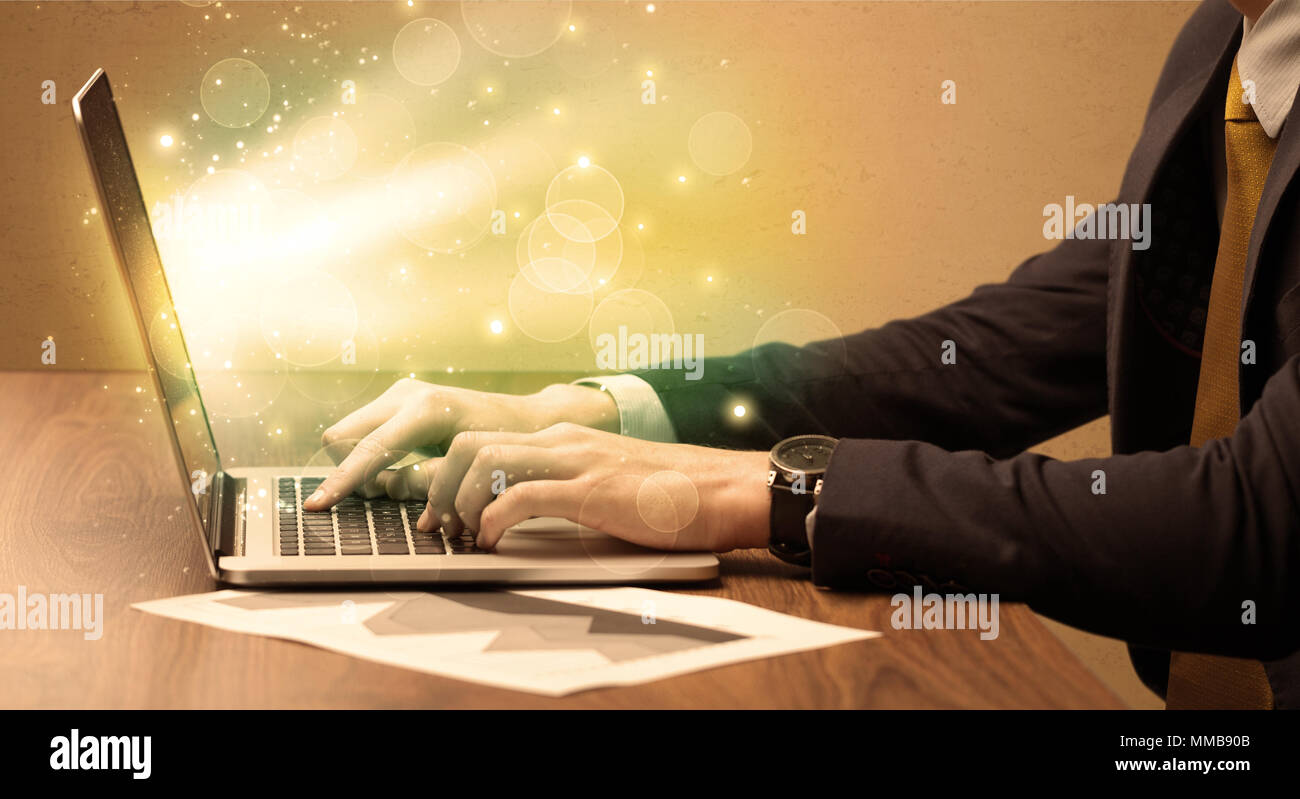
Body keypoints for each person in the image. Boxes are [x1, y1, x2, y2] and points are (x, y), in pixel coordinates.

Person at [305, 0, 1300, 708]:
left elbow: (1261, 523)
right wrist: (604, 408)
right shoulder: (1228, 41)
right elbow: (993, 353)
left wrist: (780, 490)